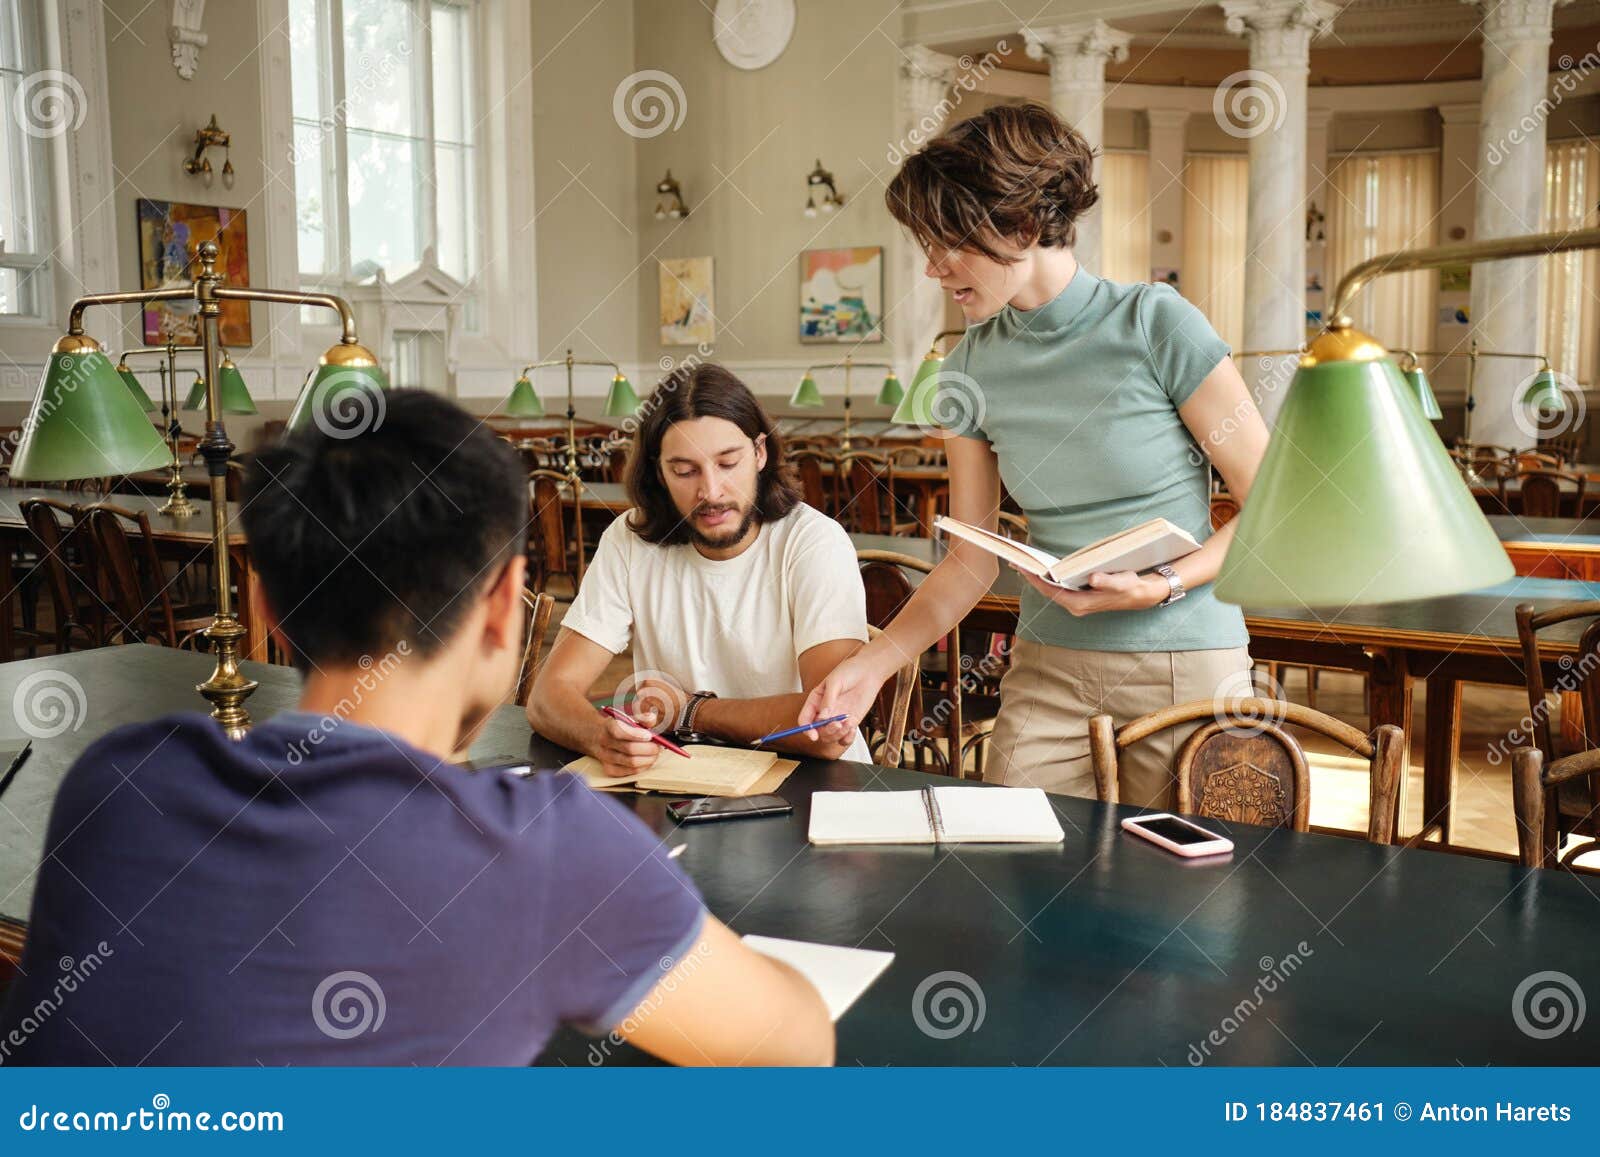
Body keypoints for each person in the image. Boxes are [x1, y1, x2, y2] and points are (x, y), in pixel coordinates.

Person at [0, 390, 832, 1067]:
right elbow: (796, 1048)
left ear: (264, 606)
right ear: (505, 607)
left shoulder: (116, 782)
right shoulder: (555, 853)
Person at [802, 103, 1271, 809]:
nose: (932, 269)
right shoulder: (965, 369)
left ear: (1021, 225)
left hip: (1184, 661)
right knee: (1012, 862)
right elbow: (970, 561)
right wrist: (872, 667)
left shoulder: (1156, 324)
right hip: (1046, 670)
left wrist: (1163, 584)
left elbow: (1272, 503)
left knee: (1174, 875)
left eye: (947, 243)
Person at [528, 363, 867, 774]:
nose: (710, 491)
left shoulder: (814, 542)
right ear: (659, 472)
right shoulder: (630, 539)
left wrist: (690, 712)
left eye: (728, 463)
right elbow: (547, 697)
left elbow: (828, 728)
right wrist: (599, 736)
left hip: (814, 785)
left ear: (760, 453)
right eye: (684, 471)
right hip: (686, 781)